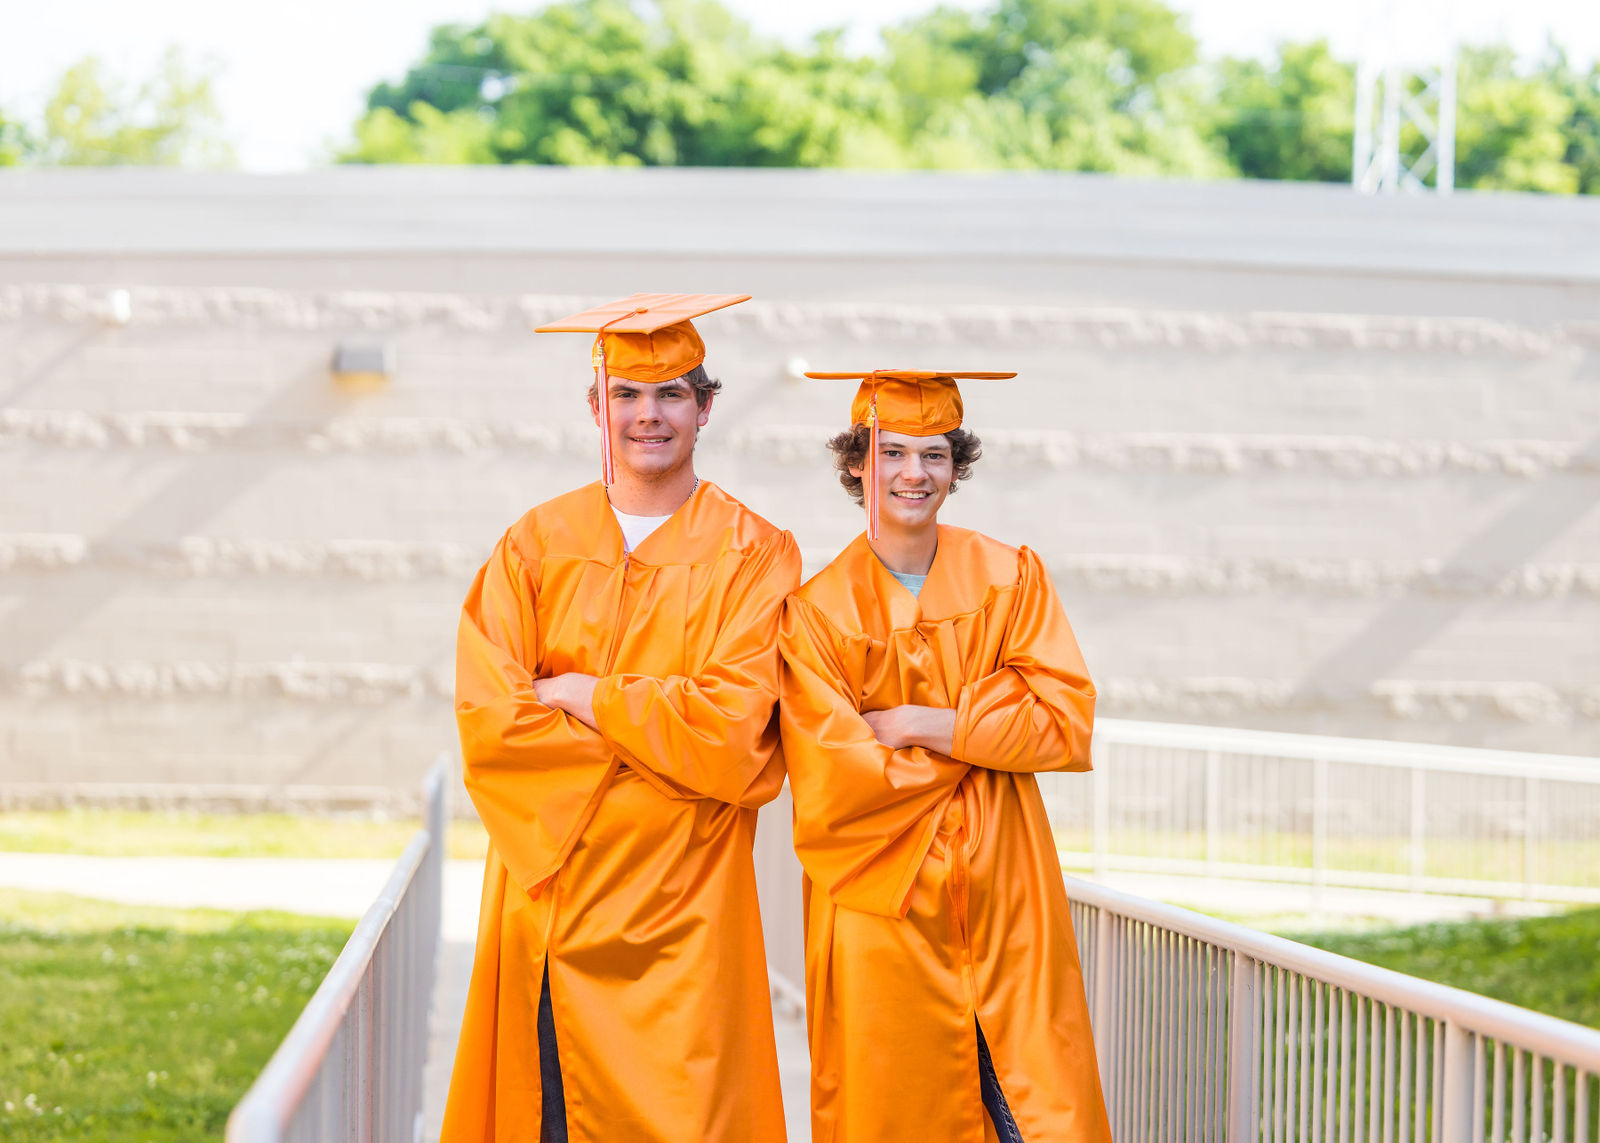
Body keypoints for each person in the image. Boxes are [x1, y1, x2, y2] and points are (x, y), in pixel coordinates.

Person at [442, 293, 797, 1143]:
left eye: (672, 392)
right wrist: (658, 740)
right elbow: (493, 723)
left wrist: (587, 694)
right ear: (596, 407)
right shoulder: (535, 543)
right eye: (629, 394)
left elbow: (736, 732)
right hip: (556, 909)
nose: (649, 414)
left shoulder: (756, 554)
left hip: (687, 924)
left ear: (706, 407)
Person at [777, 370, 1112, 1143]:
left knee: (1036, 1106)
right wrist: (991, 733)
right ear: (858, 461)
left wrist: (925, 722)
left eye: (933, 454)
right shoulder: (817, 614)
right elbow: (838, 777)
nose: (913, 474)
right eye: (893, 452)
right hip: (881, 903)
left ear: (956, 467)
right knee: (899, 1111)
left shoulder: (1009, 577)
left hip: (1007, 886)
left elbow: (1064, 723)